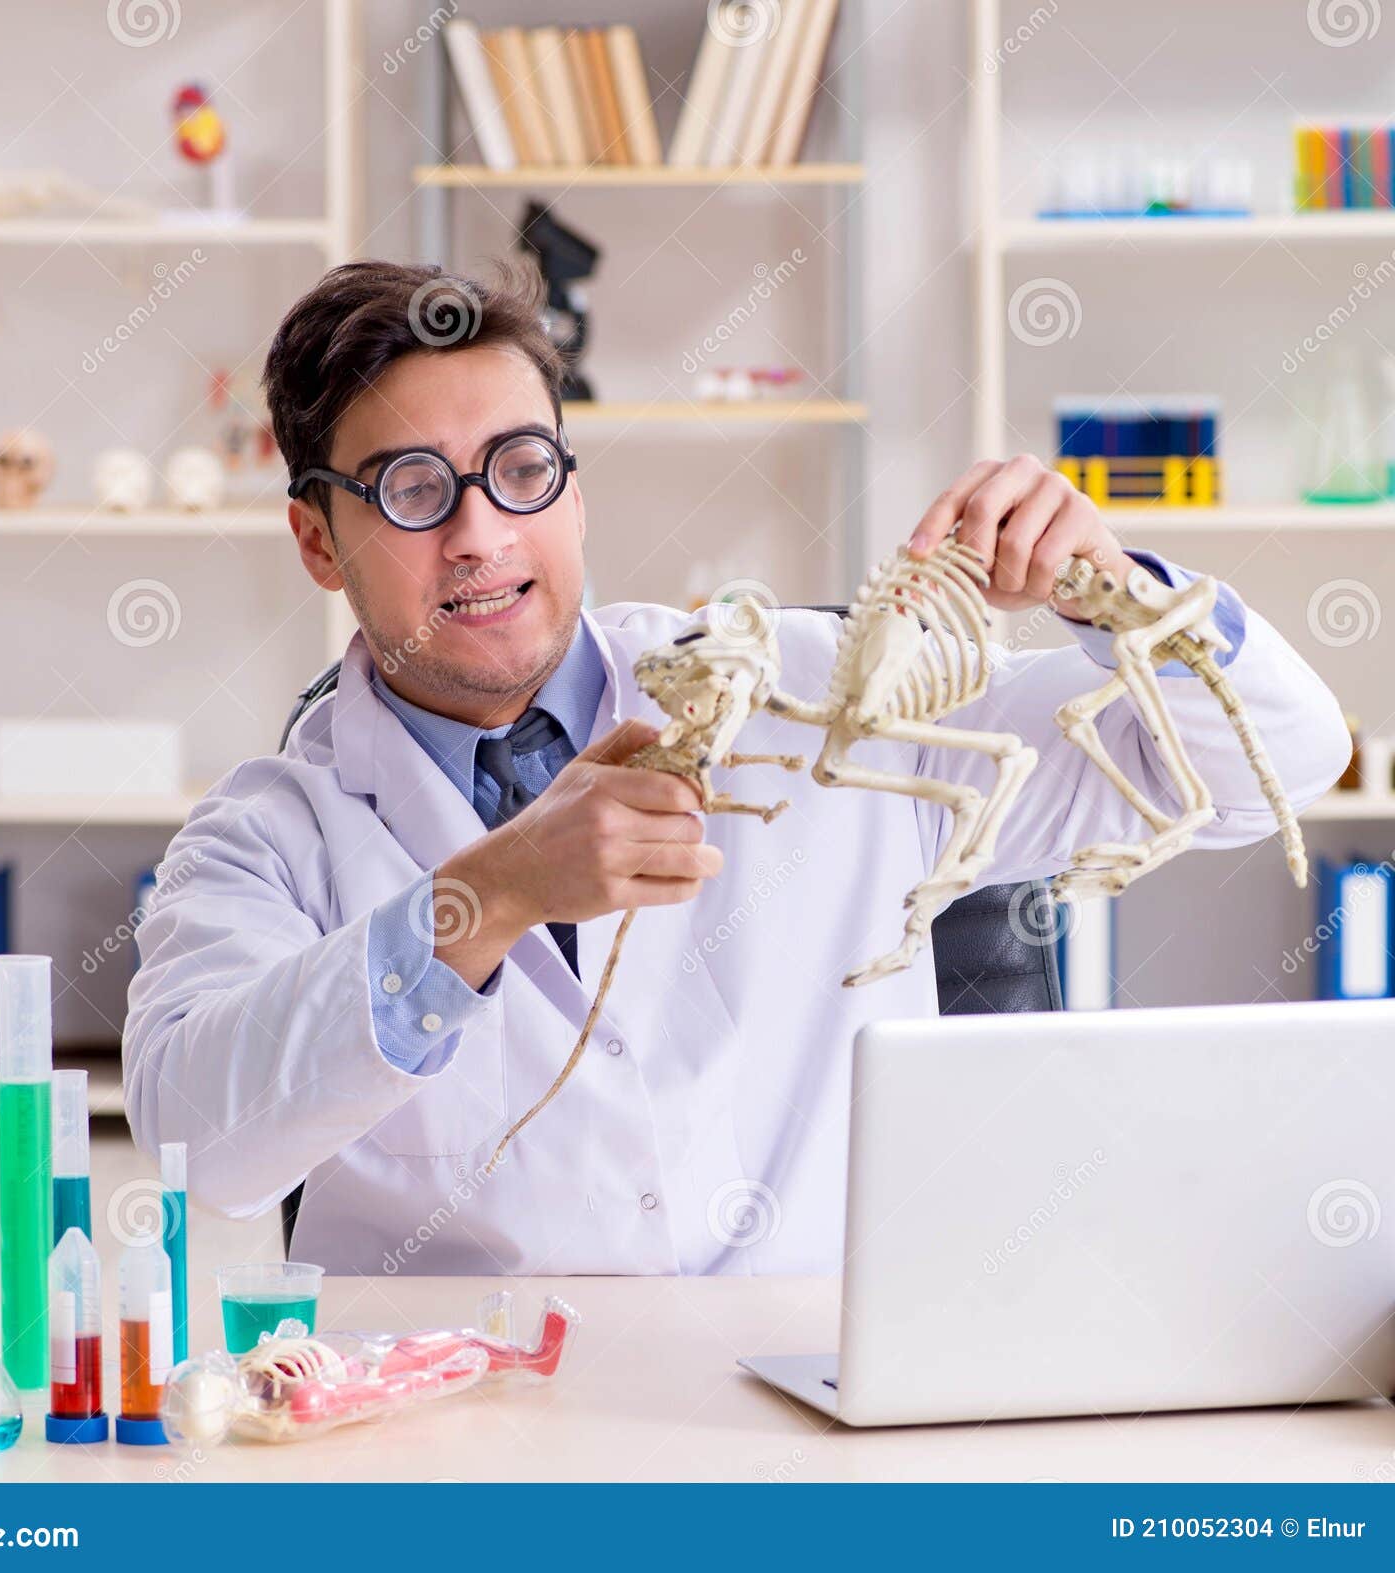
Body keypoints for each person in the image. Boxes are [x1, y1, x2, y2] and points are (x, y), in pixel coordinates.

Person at [122, 259, 1347, 1275]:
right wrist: (483, 899)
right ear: (316, 543)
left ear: (574, 492)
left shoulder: (820, 694)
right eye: (410, 490)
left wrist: (1118, 597)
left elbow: (1277, 767)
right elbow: (198, 1140)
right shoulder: (264, 835)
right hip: (468, 1438)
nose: (482, 533)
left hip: (829, 1417)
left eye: (523, 469)